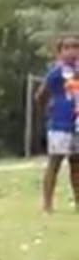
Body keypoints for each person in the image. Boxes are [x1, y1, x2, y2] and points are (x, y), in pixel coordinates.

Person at [34, 34, 79, 212]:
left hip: (76, 123)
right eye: (67, 48)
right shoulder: (56, 73)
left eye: (75, 47)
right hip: (60, 125)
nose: (72, 51)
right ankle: (47, 204)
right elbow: (40, 95)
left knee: (76, 164)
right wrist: (49, 110)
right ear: (59, 53)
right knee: (55, 162)